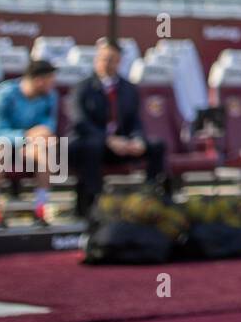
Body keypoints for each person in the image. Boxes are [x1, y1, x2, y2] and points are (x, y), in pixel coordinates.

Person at [68, 39, 167, 218]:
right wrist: (108, 139)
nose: (106, 63)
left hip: (122, 144)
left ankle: (152, 196)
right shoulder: (82, 88)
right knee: (92, 147)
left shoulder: (129, 89)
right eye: (103, 58)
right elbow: (80, 122)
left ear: (119, 61)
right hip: (92, 143)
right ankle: (92, 204)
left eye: (111, 59)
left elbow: (135, 120)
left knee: (156, 145)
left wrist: (137, 139)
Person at [0, 60, 59, 225]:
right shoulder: (3, 94)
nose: (53, 84)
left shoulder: (50, 96)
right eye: (50, 79)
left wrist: (42, 135)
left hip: (22, 145)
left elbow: (47, 126)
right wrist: (26, 135)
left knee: (43, 152)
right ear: (39, 80)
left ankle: (41, 209)